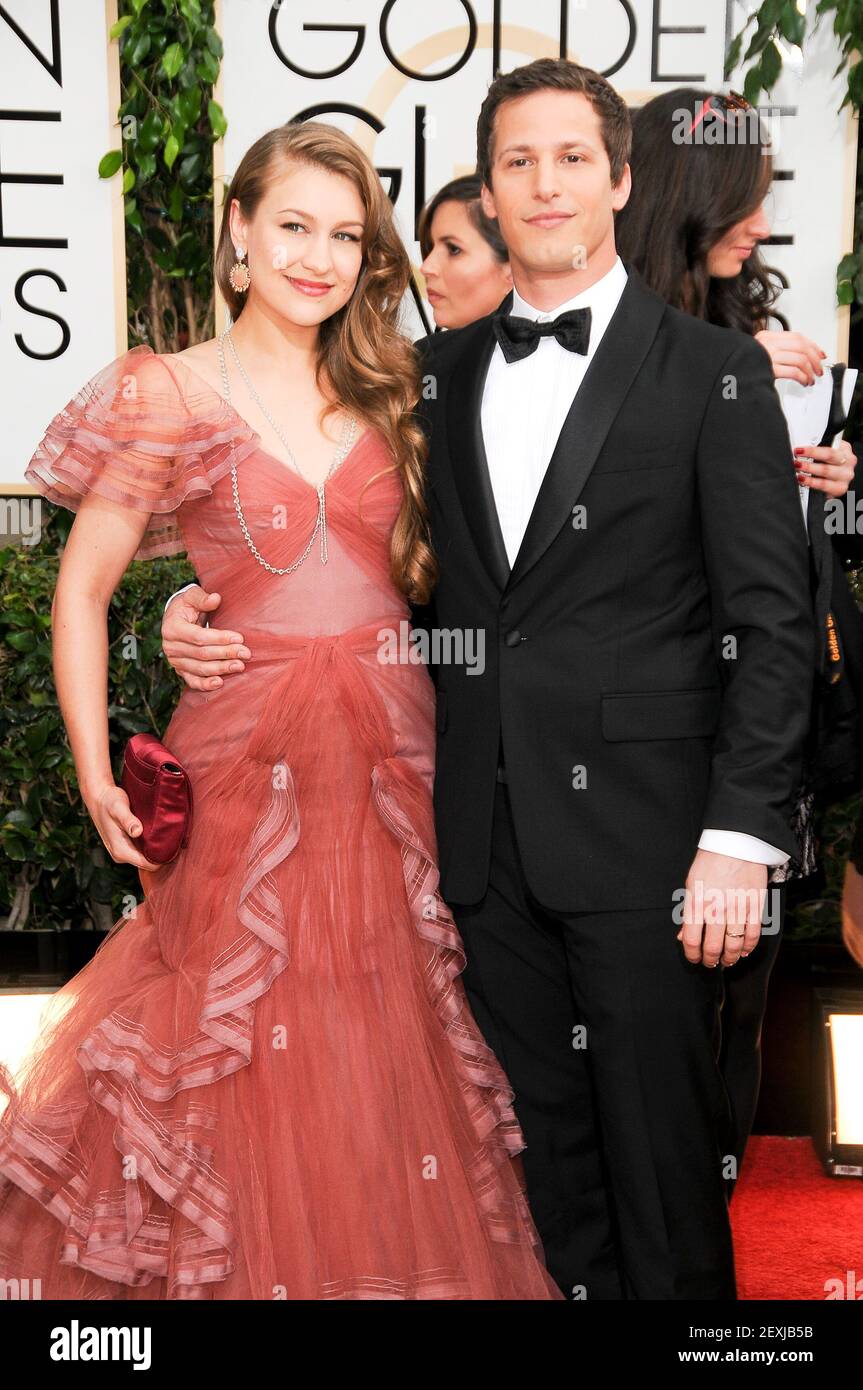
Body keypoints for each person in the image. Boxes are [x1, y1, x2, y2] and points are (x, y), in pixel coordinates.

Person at [160, 59, 816, 1301]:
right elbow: (346, 564)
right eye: (517, 161)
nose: (545, 184)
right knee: (534, 1181)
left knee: (665, 1179)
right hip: (474, 845)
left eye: (572, 157)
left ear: (620, 181)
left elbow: (770, 625)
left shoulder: (708, 373)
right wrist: (189, 615)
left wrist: (737, 838)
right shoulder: (429, 377)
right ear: (489, 191)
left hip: (655, 847)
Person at [0, 120, 563, 1301]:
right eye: (293, 226)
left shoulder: (403, 383)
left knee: (384, 1025)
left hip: (398, 752)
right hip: (242, 758)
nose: (318, 256)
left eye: (346, 236)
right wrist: (95, 762)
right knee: (233, 1023)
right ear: (240, 235)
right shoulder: (168, 388)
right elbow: (82, 585)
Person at [615, 86, 863, 1175]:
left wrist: (828, 487)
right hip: (618, 752)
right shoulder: (603, 335)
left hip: (753, 739)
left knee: (728, 1029)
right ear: (679, 195)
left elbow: (773, 565)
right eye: (740, 201)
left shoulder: (745, 330)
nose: (758, 225)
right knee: (619, 1041)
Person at [419, 173, 512, 328]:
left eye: (454, 250)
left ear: (514, 271)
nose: (426, 267)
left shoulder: (559, 349)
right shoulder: (425, 350)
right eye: (430, 246)